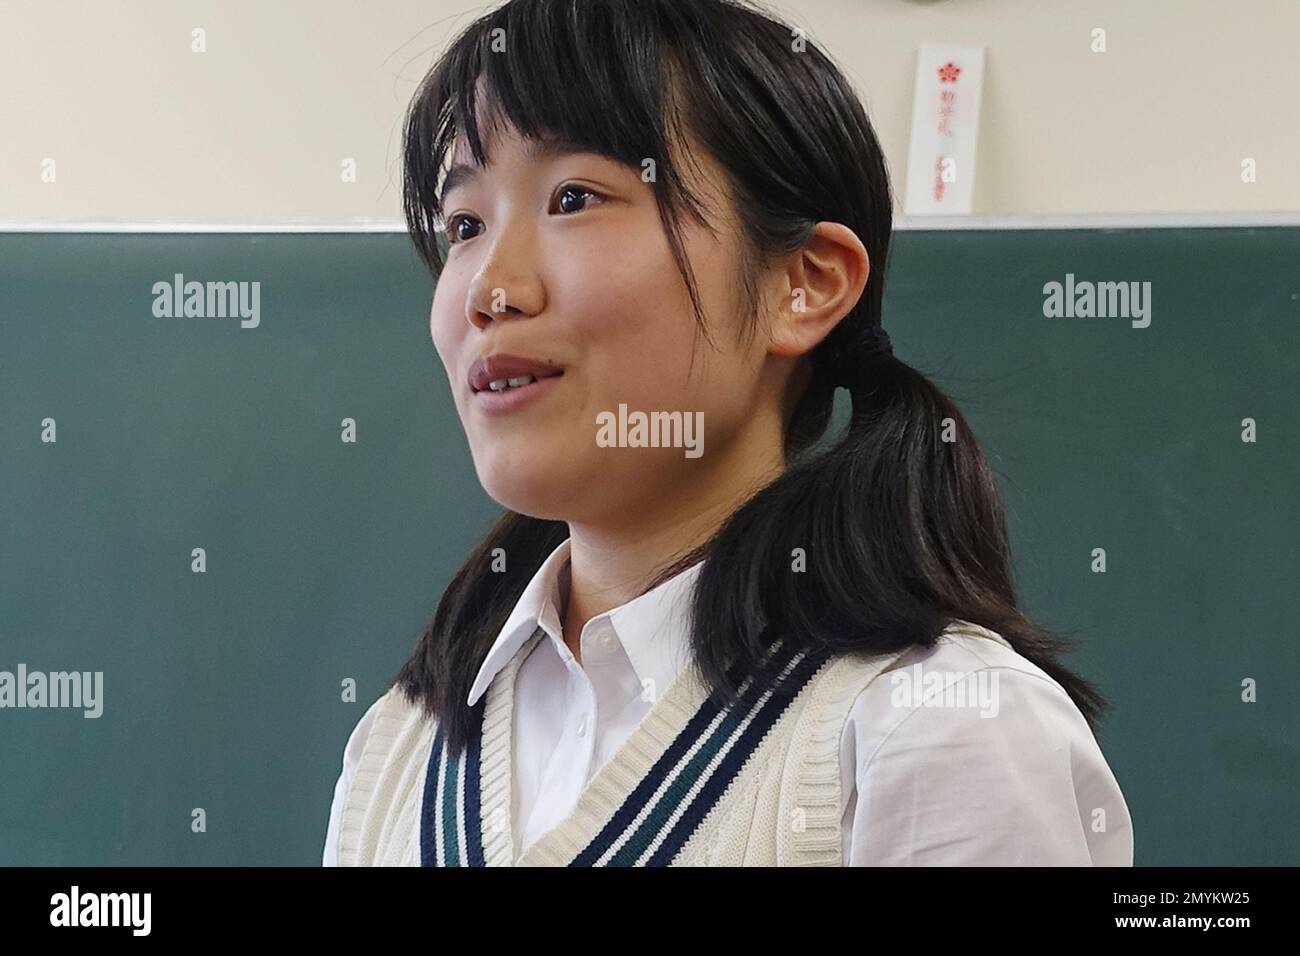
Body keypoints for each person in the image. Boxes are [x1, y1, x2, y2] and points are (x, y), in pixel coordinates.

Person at [323, 0, 1133, 866]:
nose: (490, 288)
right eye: (465, 226)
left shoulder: (934, 727)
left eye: (574, 197)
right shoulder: (400, 750)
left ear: (805, 284)